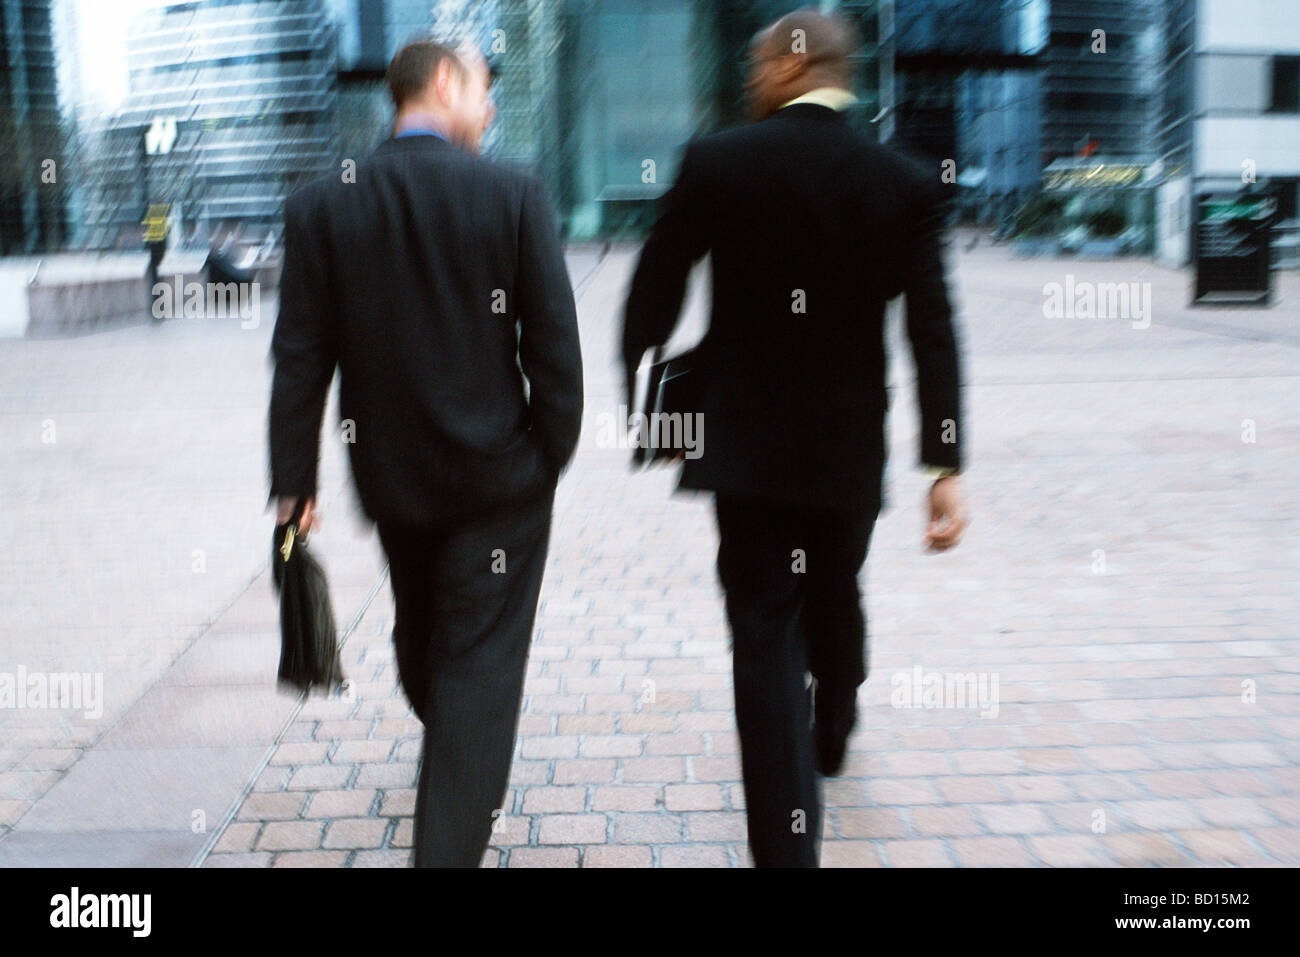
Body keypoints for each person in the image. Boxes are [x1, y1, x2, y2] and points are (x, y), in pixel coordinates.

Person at [621, 8, 969, 867]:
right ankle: (839, 711)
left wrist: (647, 383)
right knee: (836, 584)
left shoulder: (718, 162)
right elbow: (934, 330)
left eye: (756, 61)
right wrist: (945, 464)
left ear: (788, 64)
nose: (748, 73)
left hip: (743, 450)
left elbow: (653, 292)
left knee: (763, 634)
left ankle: (787, 849)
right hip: (848, 449)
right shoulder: (903, 181)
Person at [267, 39, 583, 867]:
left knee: (428, 648)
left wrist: (292, 483)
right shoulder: (513, 194)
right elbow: (555, 351)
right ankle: (462, 776)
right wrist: (546, 456)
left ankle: (460, 765)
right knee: (469, 669)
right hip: (501, 485)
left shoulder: (322, 205)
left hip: (396, 487)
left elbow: (301, 356)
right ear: (442, 82)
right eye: (483, 90)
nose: (490, 109)